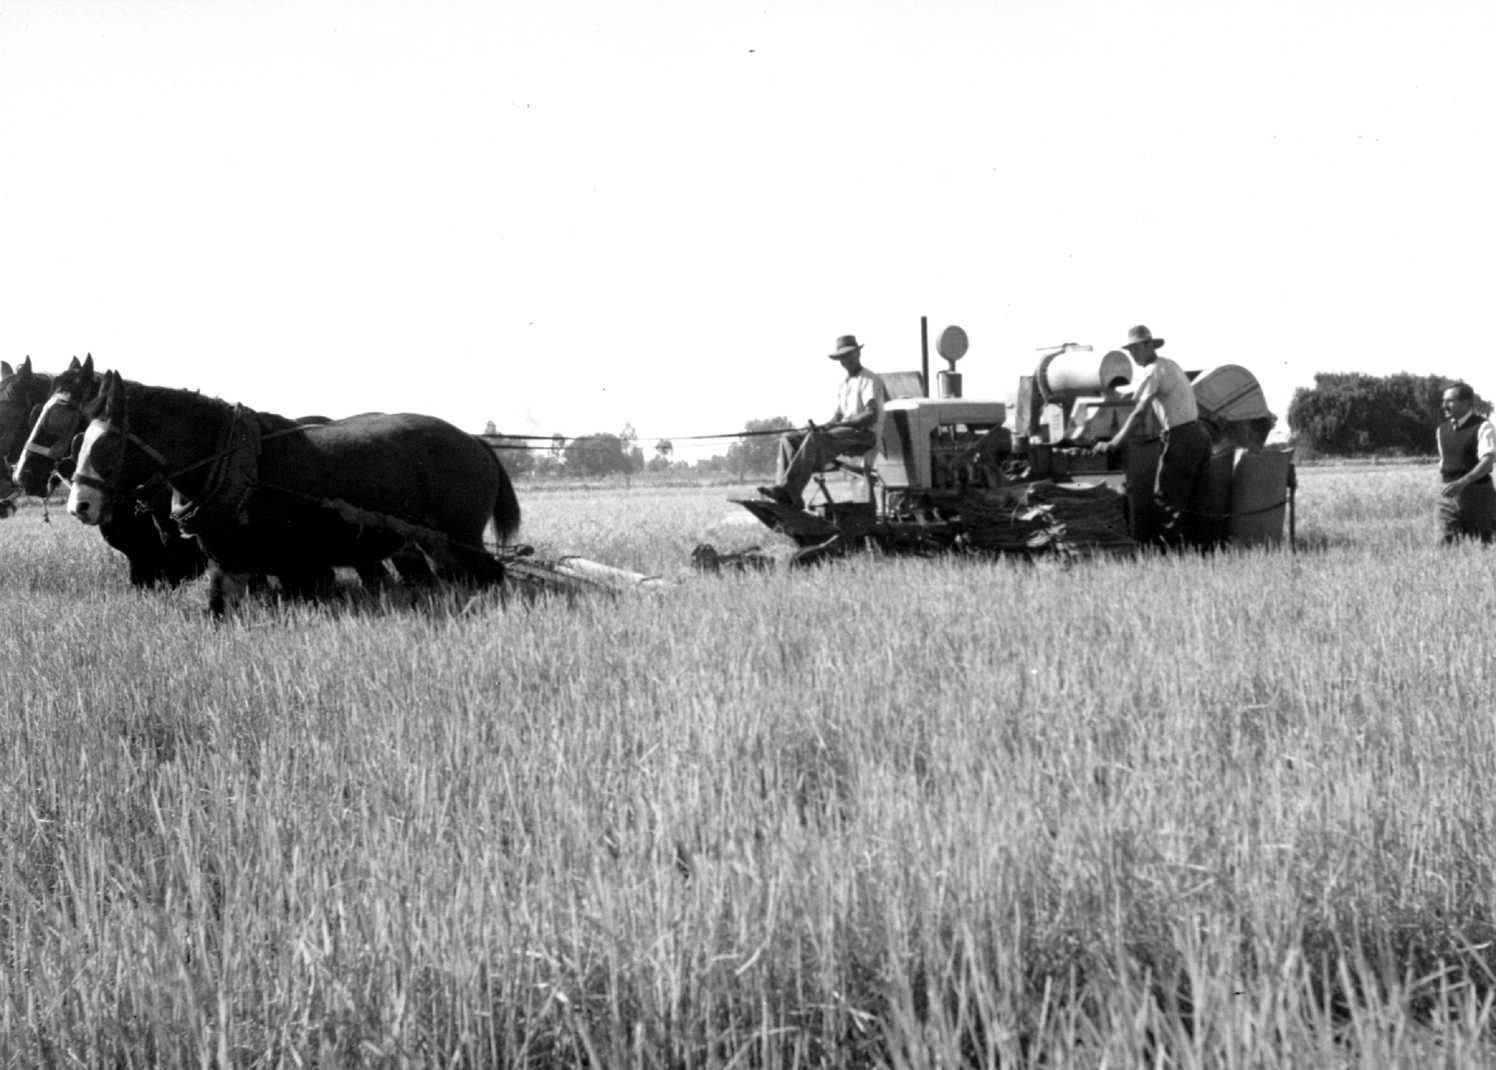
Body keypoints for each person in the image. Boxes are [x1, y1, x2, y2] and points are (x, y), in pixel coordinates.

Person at [1092, 324, 1212, 549]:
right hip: (1199, 435)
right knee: (1197, 499)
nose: (1133, 355)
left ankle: (1170, 555)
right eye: (1130, 351)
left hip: (1181, 437)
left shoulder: (1153, 370)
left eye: (1135, 349)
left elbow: (1138, 411)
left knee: (1167, 500)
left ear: (1149, 345)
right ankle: (1203, 552)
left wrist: (1115, 441)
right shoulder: (1170, 365)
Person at [759, 334, 884, 507]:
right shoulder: (844, 384)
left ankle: (790, 492)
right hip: (844, 432)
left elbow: (871, 415)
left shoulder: (870, 380)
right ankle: (785, 492)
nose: (845, 361)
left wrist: (841, 424)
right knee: (788, 438)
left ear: (858, 354)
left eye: (848, 355)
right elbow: (838, 416)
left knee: (814, 440)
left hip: (863, 435)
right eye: (841, 358)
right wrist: (823, 426)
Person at [1436, 382, 1496, 544]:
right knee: (1445, 542)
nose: (1444, 405)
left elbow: (1488, 462)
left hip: (1479, 496)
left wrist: (1463, 482)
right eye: (1443, 401)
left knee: (1484, 543)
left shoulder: (1483, 427)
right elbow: (1445, 463)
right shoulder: (1441, 430)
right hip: (1448, 496)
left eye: (1449, 401)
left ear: (1467, 402)